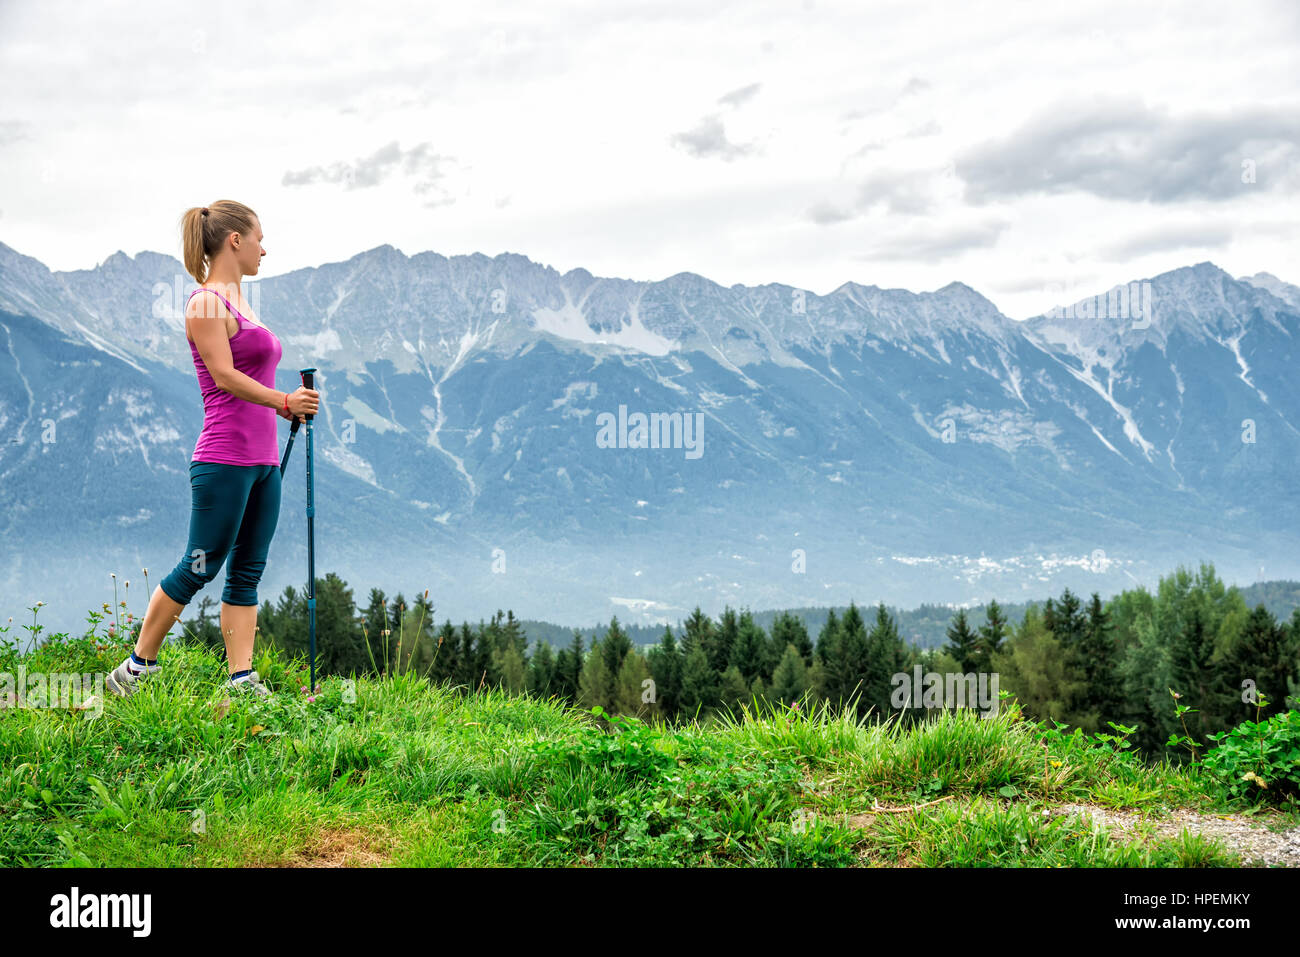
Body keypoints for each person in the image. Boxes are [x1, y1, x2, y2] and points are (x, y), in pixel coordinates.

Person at [107, 200, 319, 699]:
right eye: (259, 238)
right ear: (235, 240)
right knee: (200, 563)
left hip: (263, 460)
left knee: (248, 570)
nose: (265, 249)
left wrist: (284, 408)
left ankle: (241, 679)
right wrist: (282, 399)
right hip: (224, 458)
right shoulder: (204, 303)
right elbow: (224, 377)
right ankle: (135, 669)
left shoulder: (242, 301)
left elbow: (254, 377)